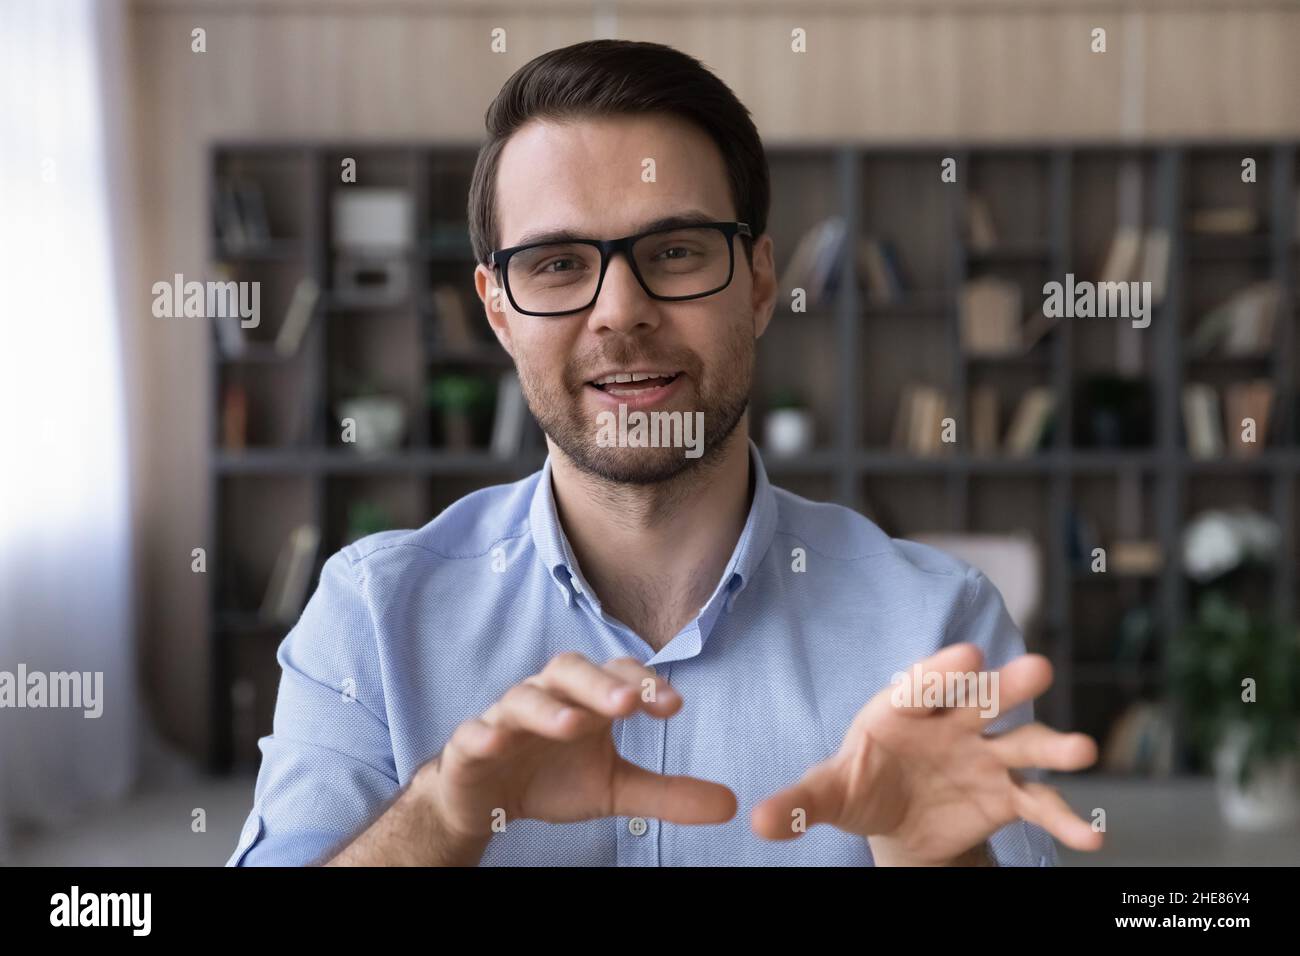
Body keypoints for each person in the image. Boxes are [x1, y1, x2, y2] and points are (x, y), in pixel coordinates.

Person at [228, 38, 1102, 867]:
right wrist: (443, 818)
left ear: (759, 283)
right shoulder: (371, 617)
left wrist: (933, 856)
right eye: (559, 264)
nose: (621, 311)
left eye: (675, 252)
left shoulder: (936, 631)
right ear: (498, 311)